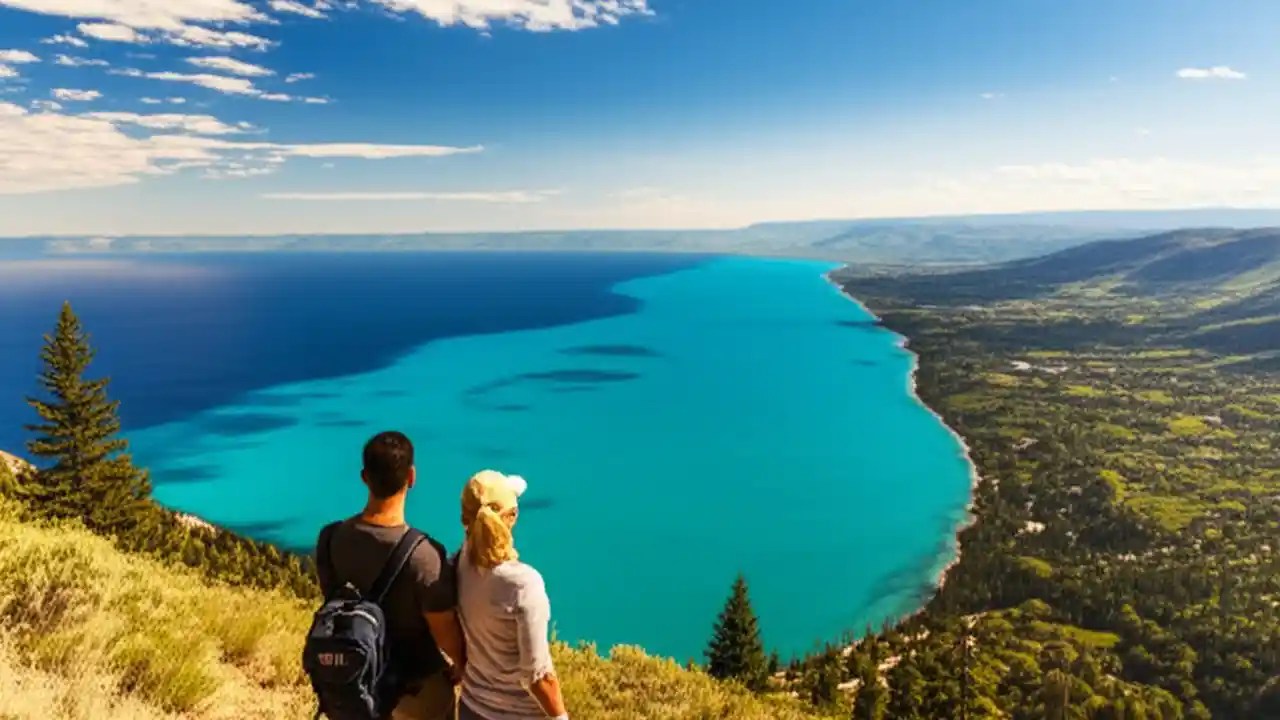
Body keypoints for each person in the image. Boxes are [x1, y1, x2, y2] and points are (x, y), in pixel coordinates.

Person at [315, 431, 466, 720]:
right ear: (412, 477)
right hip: (413, 691)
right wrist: (460, 664)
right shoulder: (424, 556)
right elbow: (444, 630)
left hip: (354, 679)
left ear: (364, 477)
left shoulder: (330, 538)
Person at [455, 470, 568, 720]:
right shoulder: (523, 584)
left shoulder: (459, 562)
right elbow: (538, 676)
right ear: (513, 516)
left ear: (465, 517)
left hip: (471, 709)